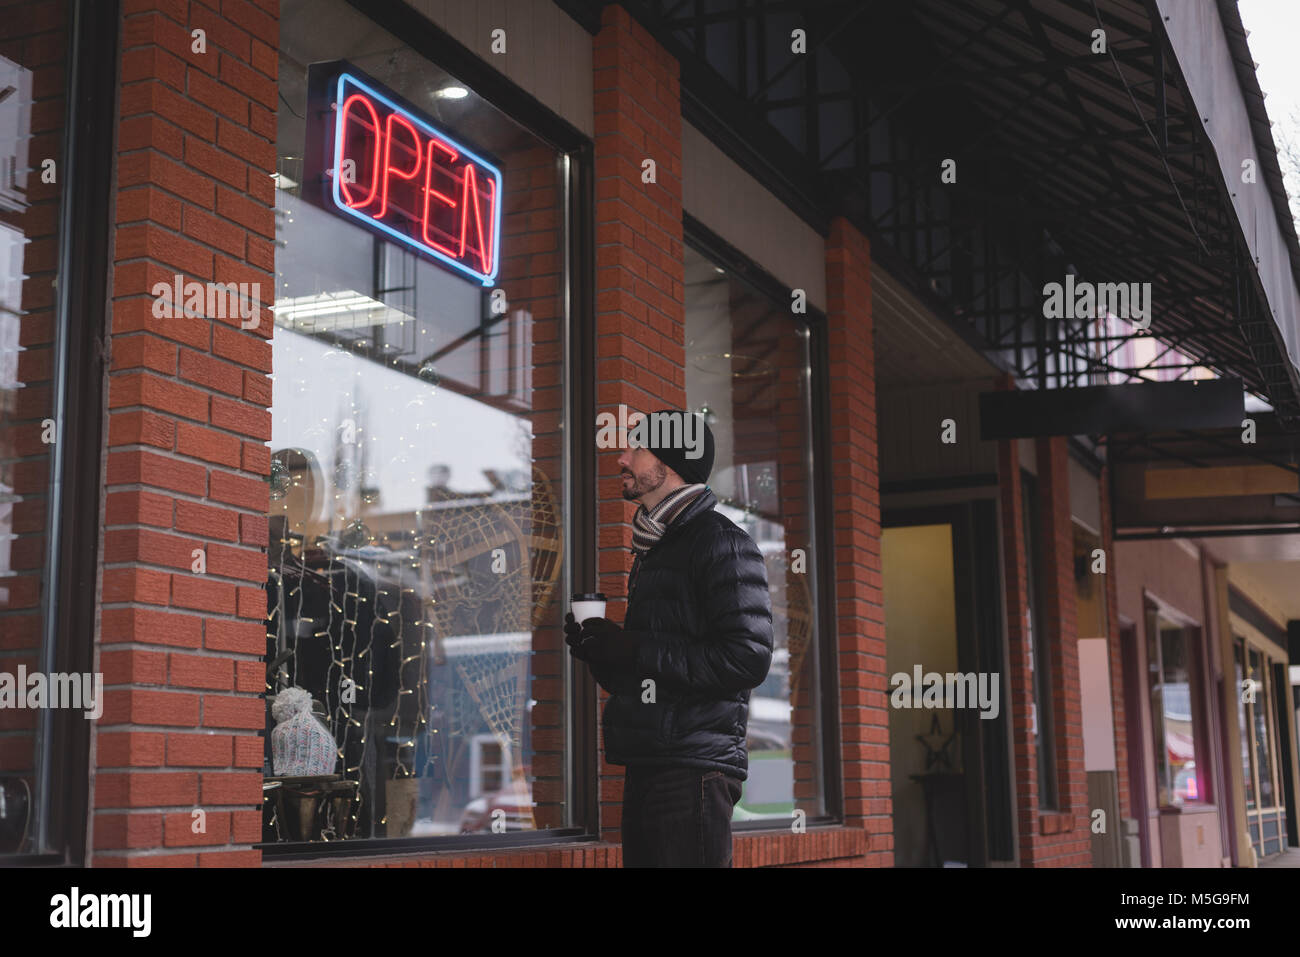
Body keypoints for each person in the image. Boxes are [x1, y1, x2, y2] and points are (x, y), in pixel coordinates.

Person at [565, 409, 773, 867]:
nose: (621, 458)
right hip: (654, 762)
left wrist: (633, 647)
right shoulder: (659, 548)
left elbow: (746, 659)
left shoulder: (721, 542)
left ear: (673, 460)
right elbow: (658, 675)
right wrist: (601, 650)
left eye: (636, 448)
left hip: (694, 770)